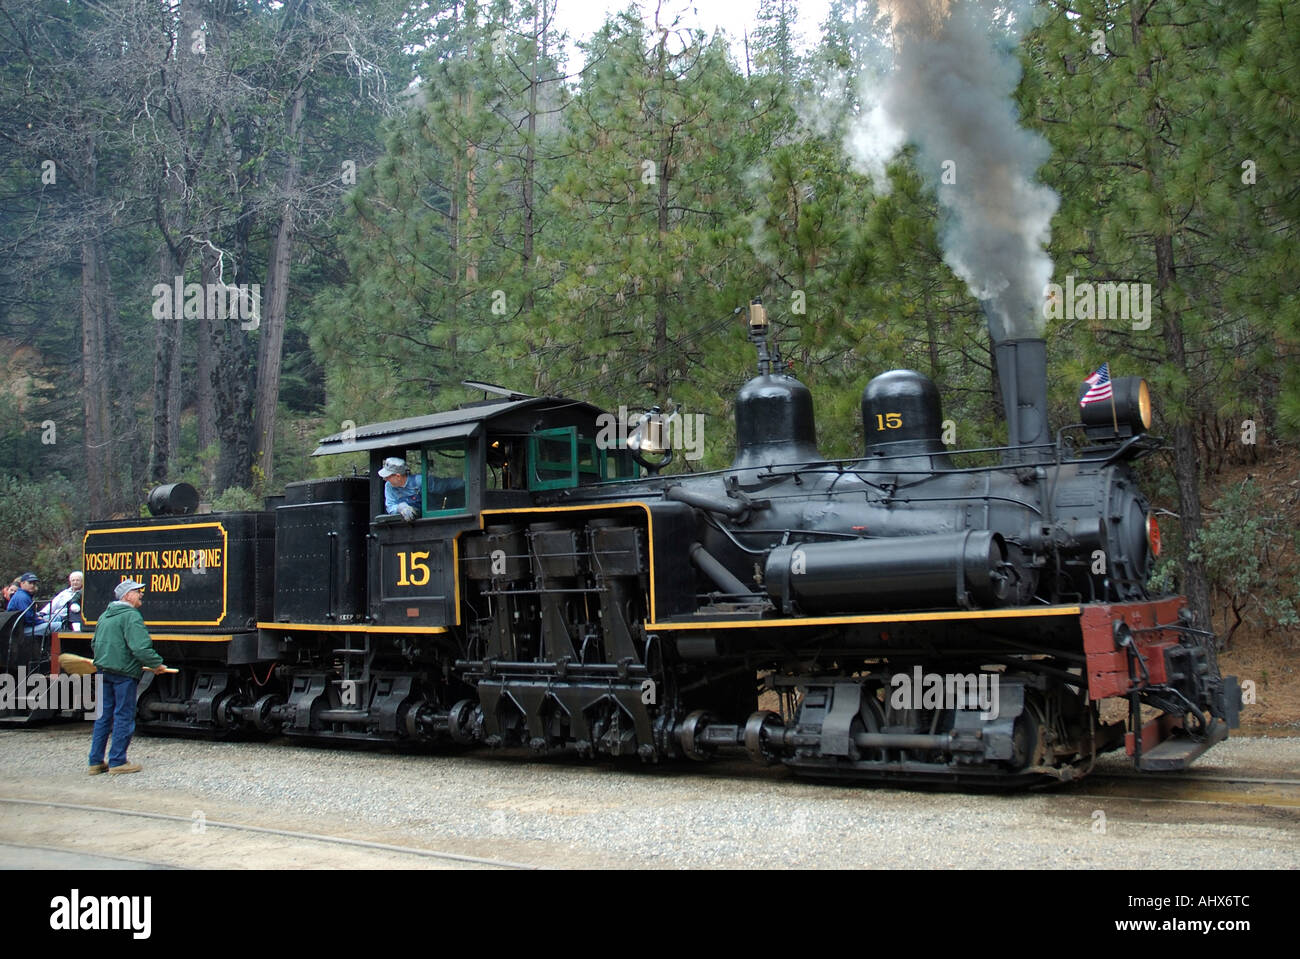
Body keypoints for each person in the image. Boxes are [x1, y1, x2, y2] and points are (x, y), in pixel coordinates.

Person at [88, 579, 167, 775]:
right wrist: (156, 664)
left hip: (103, 670)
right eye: (137, 591)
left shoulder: (104, 616)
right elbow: (140, 647)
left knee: (102, 717)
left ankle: (95, 762)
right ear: (127, 596)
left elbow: (94, 643)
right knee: (123, 715)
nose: (141, 594)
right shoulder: (131, 616)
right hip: (123, 674)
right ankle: (117, 762)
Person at [378, 456, 464, 521]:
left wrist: (466, 483)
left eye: (387, 477)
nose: (385, 479)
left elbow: (446, 485)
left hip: (432, 519)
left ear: (398, 476)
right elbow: (390, 506)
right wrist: (400, 508)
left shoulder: (421, 481)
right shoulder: (389, 486)